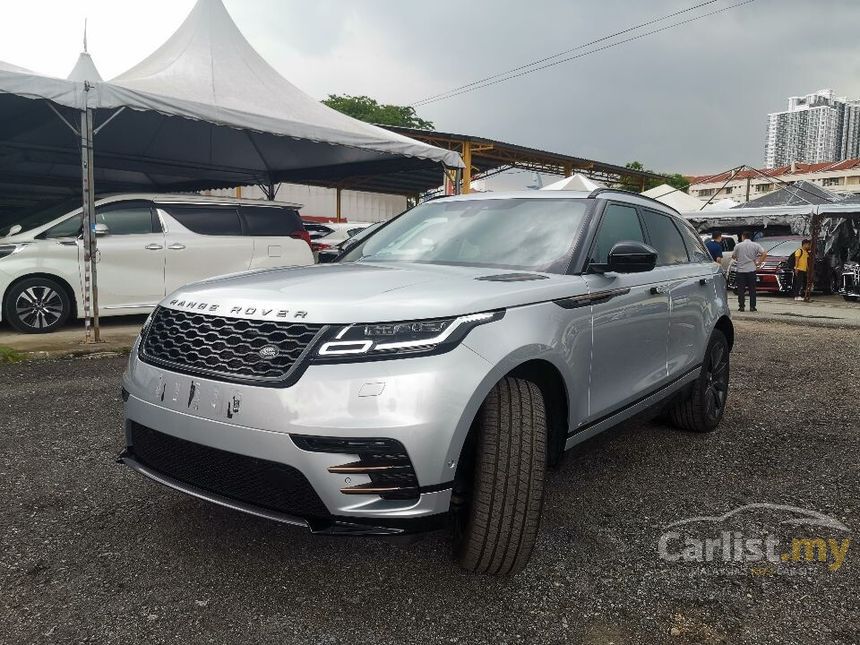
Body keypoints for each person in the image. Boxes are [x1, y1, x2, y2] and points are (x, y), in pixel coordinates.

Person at [733, 231, 768, 312]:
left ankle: (741, 306)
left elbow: (734, 256)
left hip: (741, 270)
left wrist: (739, 258)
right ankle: (752, 307)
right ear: (750, 237)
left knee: (741, 289)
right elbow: (764, 253)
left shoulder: (738, 245)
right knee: (752, 289)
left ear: (743, 236)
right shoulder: (756, 245)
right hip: (751, 269)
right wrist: (759, 263)